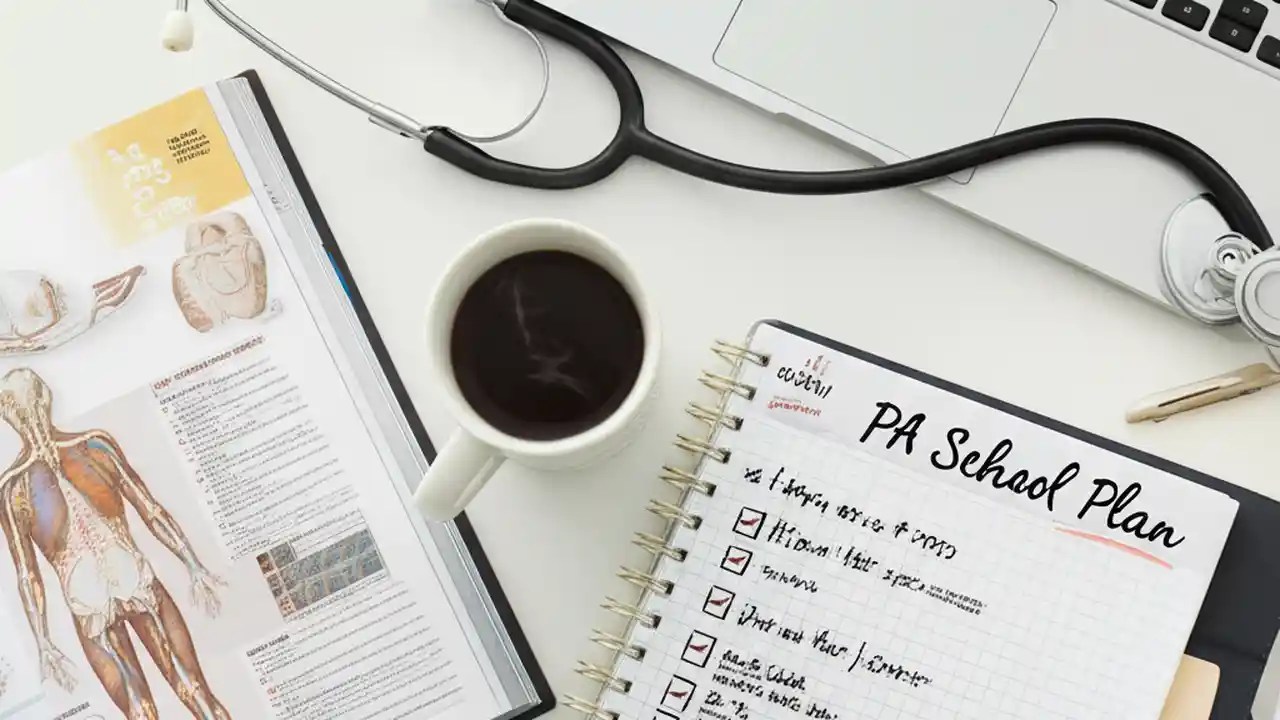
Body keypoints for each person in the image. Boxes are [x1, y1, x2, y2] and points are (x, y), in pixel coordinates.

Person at [0, 368, 231, 719]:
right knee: (195, 696)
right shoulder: (90, 447)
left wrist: (43, 641)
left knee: (154, 709)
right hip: (128, 583)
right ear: (45, 396)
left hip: (90, 598)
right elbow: (149, 509)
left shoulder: (16, 487)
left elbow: (26, 574)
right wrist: (192, 564)